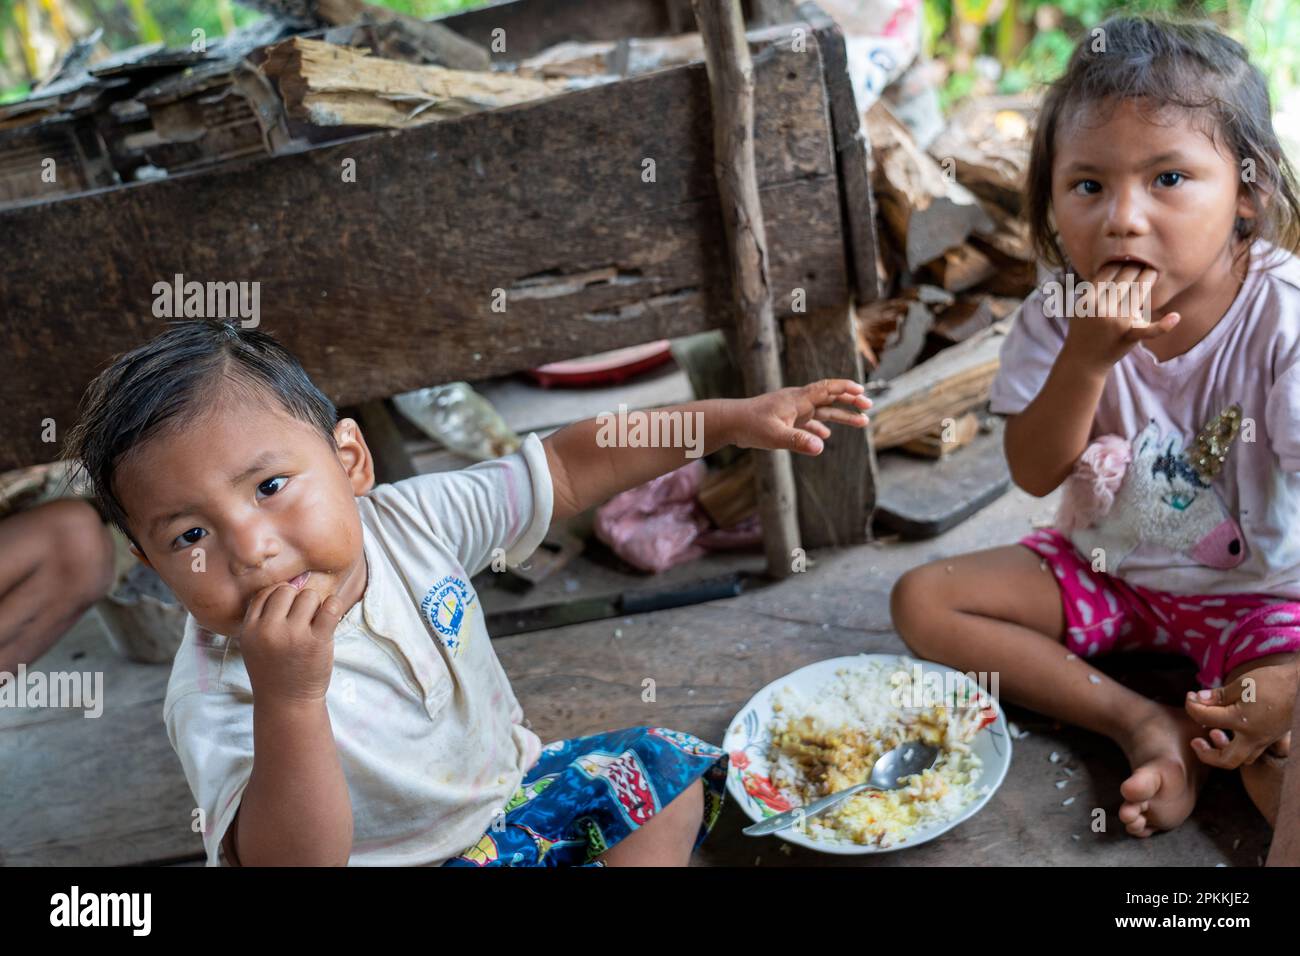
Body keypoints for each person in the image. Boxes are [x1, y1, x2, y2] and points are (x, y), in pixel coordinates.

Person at [62, 320, 871, 866]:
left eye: (270, 484)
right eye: (190, 536)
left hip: (511, 801)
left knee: (663, 780)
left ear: (350, 462)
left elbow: (569, 464)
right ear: (150, 564)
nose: (251, 545)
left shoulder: (409, 521)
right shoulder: (213, 692)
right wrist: (289, 701)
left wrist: (730, 421)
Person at [891, 14, 1300, 838]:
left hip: (1261, 598)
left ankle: (1228, 724)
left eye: (1169, 179)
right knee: (924, 600)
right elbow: (1036, 471)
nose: (1121, 217)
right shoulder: (1057, 313)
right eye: (1087, 185)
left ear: (1248, 194)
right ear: (1049, 201)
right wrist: (1084, 360)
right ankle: (1137, 723)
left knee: (1277, 760)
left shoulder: (1281, 322)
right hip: (1108, 571)